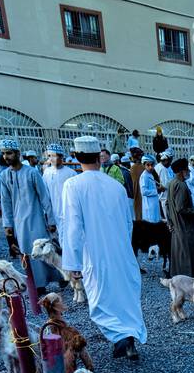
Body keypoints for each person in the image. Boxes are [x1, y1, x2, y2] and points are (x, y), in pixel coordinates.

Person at [61, 135, 146, 360]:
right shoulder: (116, 186)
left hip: (95, 253)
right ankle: (127, 339)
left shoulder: (73, 185)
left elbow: (73, 226)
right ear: (99, 157)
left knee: (102, 298)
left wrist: (73, 262)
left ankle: (121, 339)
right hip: (120, 251)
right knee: (123, 295)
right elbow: (128, 223)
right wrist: (124, 247)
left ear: (77, 157)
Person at [0, 138, 60, 288]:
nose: (6, 156)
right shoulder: (4, 176)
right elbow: (5, 202)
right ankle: (38, 285)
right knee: (27, 253)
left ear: (18, 153)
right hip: (19, 222)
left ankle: (59, 276)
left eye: (9, 153)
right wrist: (8, 224)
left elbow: (45, 197)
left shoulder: (32, 173)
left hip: (36, 218)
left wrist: (51, 220)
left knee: (45, 250)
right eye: (4, 153)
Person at [164, 157, 194, 278]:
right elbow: (181, 209)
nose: (189, 171)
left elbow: (167, 205)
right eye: (187, 169)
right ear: (182, 171)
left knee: (178, 254)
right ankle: (189, 278)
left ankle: (177, 278)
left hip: (176, 226)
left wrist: (170, 222)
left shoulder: (171, 183)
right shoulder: (181, 185)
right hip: (184, 227)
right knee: (187, 254)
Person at [41, 143, 75, 229]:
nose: (51, 159)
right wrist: (48, 216)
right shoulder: (47, 173)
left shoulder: (71, 173)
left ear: (61, 157)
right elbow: (45, 196)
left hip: (69, 215)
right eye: (49, 156)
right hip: (54, 215)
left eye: (54, 156)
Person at [138, 155, 163, 223]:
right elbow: (144, 191)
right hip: (149, 206)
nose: (150, 167)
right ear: (144, 165)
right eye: (148, 165)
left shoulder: (150, 174)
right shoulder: (144, 176)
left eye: (152, 165)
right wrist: (157, 190)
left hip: (154, 204)